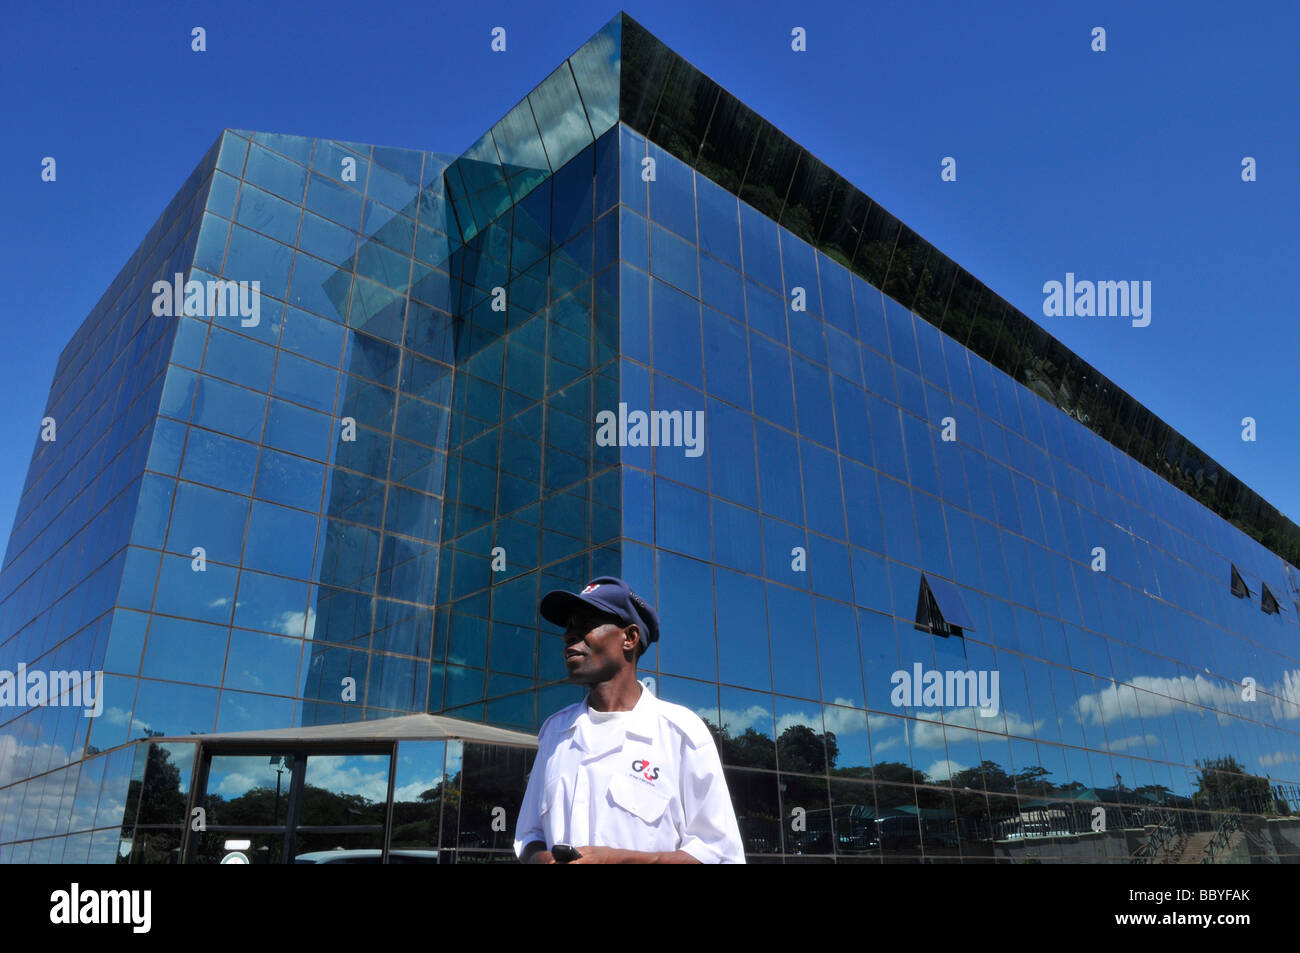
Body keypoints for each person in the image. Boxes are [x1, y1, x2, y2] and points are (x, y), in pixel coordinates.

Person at [514, 576, 745, 864]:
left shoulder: (680, 732)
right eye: (568, 627)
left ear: (630, 637)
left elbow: (719, 854)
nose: (569, 635)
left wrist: (614, 860)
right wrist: (545, 860)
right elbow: (529, 836)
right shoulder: (554, 732)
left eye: (585, 623)